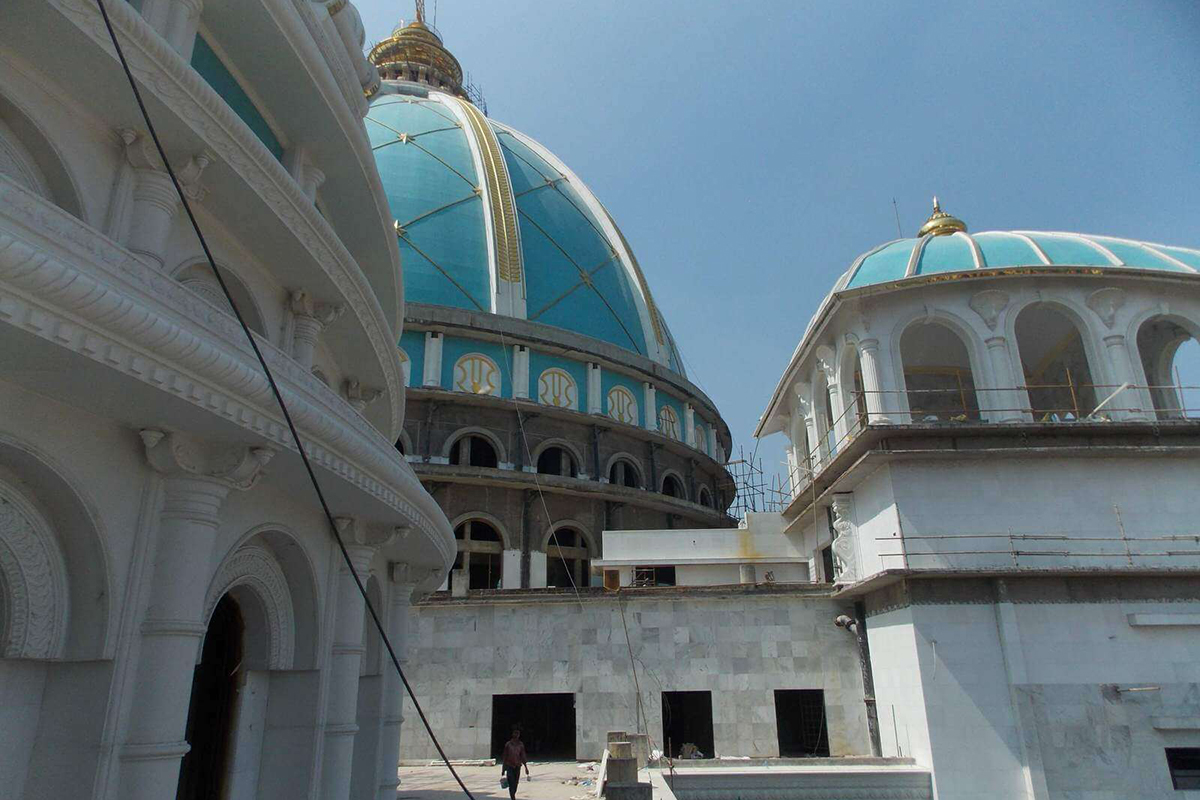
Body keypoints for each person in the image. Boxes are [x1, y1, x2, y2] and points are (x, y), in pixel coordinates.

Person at [501, 728, 529, 800]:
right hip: (509, 766)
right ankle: (513, 798)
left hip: (517, 767)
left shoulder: (521, 745)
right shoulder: (508, 744)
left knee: (516, 784)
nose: (516, 735)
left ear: (519, 735)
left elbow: (523, 756)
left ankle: (513, 795)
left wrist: (526, 767)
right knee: (511, 783)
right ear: (512, 734)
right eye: (515, 733)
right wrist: (503, 770)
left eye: (517, 733)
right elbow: (504, 757)